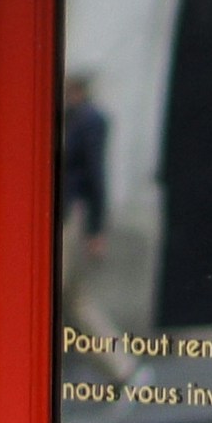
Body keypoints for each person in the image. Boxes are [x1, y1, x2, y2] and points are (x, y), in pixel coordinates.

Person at [58, 71, 130, 377]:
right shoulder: (71, 118)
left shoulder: (89, 121)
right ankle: (122, 369)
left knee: (64, 295)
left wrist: (96, 230)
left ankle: (123, 369)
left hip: (71, 216)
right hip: (64, 215)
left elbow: (96, 177)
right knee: (74, 300)